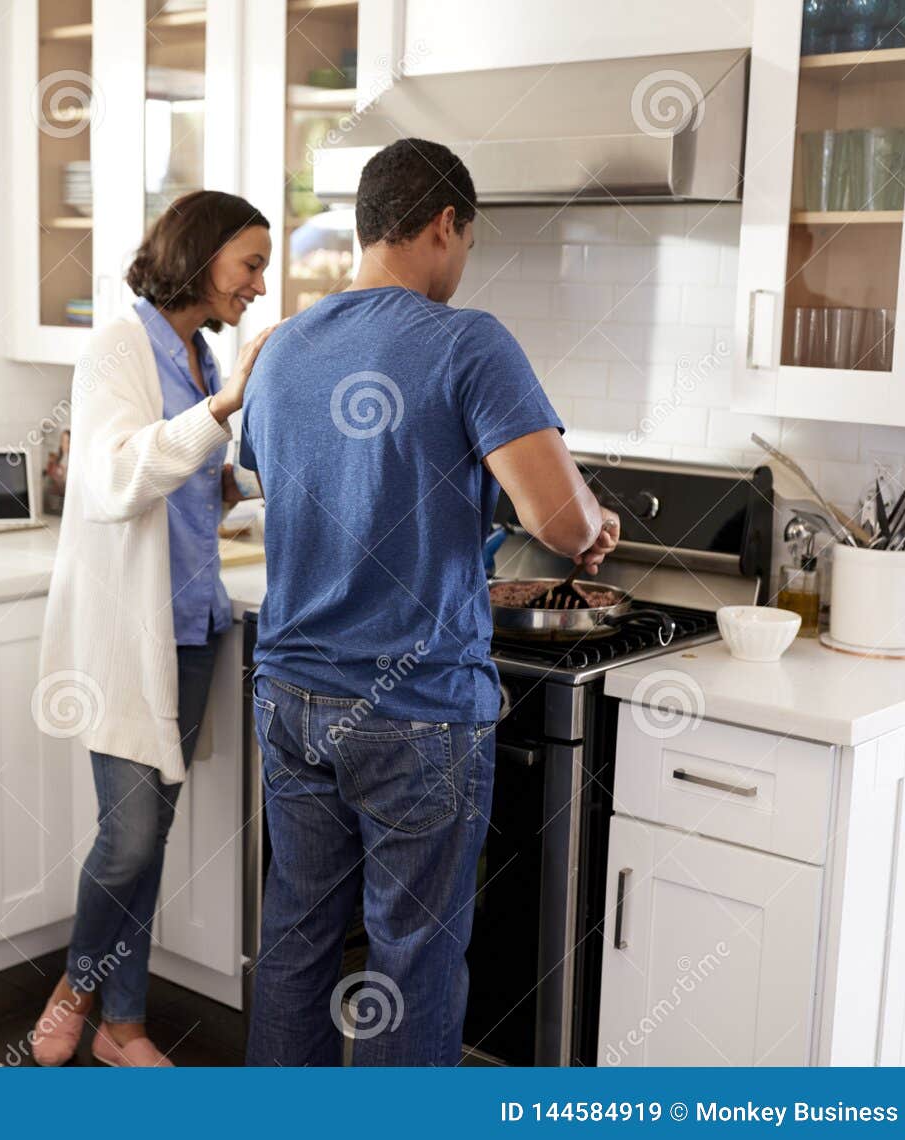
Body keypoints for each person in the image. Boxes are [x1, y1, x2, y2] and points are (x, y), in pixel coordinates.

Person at [239, 138, 620, 1066]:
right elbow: (559, 520)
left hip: (292, 697)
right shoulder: (467, 340)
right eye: (468, 241)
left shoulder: (282, 346)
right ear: (445, 224)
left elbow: (286, 482)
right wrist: (593, 520)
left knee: (296, 941)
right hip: (415, 713)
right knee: (412, 964)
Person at [33, 190, 276, 1067]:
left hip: (194, 624)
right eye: (249, 262)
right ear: (203, 253)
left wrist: (251, 492)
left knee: (149, 837)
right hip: (125, 634)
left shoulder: (198, 354)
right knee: (129, 834)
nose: (257, 283)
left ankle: (122, 1026)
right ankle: (78, 984)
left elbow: (192, 491)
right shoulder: (116, 347)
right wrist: (222, 410)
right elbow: (112, 481)